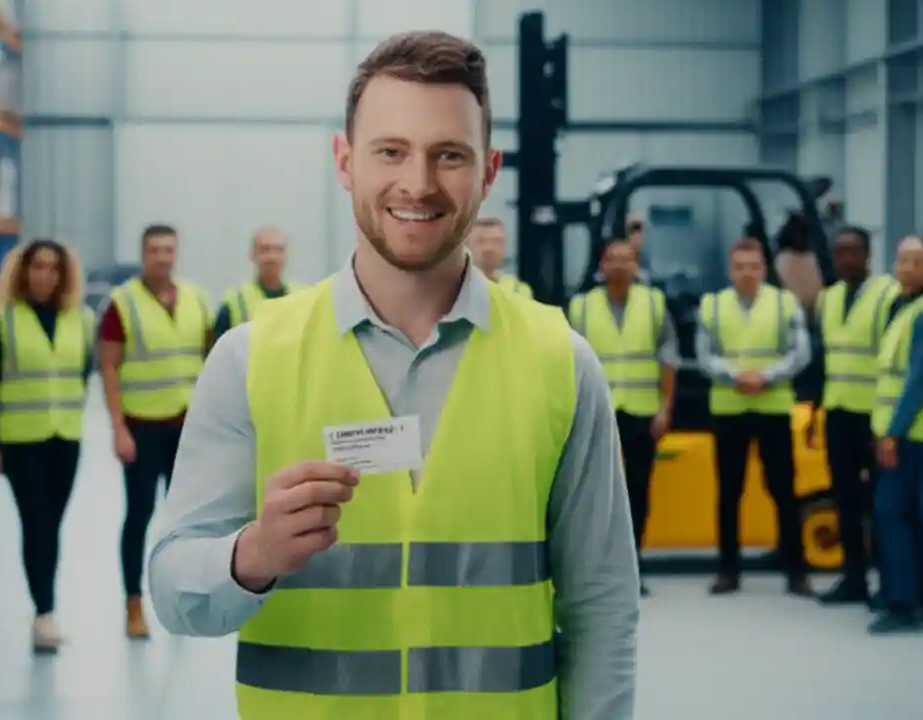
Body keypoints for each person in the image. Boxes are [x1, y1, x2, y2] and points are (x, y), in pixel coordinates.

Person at [148, 30, 639, 719]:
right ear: (344, 161)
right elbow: (172, 594)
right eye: (390, 151)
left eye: (450, 156)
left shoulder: (561, 362)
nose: (418, 183)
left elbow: (603, 610)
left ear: (489, 169)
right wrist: (252, 552)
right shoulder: (250, 359)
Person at [97, 223, 213, 639]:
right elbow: (108, 365)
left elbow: (209, 359)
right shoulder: (122, 303)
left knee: (184, 519)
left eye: (168, 250)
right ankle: (133, 604)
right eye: (154, 250)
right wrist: (117, 427)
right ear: (143, 254)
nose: (162, 257)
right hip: (142, 427)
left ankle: (180, 596)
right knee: (139, 515)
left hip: (186, 427)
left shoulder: (196, 299)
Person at [0, 239, 94, 653]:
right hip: (20, 440)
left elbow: (83, 374)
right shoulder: (4, 322)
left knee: (52, 525)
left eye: (53, 268)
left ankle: (44, 610)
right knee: (38, 524)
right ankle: (45, 612)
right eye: (37, 267)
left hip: (65, 437)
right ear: (23, 272)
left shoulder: (80, 320)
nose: (44, 275)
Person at [696, 237, 813, 597]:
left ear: (764, 269)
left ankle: (796, 572)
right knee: (729, 493)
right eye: (740, 267)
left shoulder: (785, 303)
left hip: (772, 407)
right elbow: (704, 354)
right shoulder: (712, 305)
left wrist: (767, 377)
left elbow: (801, 352)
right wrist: (735, 376)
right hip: (730, 409)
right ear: (731, 270)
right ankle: (728, 571)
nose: (747, 273)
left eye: (754, 266)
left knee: (782, 490)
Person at [567, 236, 678, 596]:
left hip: (641, 412)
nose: (619, 264)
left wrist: (665, 408)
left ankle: (633, 569)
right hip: (597, 412)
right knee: (594, 494)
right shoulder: (581, 307)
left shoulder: (654, 303)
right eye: (612, 258)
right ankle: (596, 571)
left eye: (626, 258)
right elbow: (566, 363)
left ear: (636, 265)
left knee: (638, 493)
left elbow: (669, 358)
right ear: (601, 266)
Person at [868, 235, 923, 635]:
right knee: (916, 514)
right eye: (902, 258)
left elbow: (917, 379)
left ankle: (902, 602)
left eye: (916, 260)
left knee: (891, 510)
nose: (906, 266)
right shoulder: (901, 306)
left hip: (912, 431)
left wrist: (892, 434)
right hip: (905, 429)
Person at [810, 227, 898, 606]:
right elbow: (826, 359)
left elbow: (894, 361)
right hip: (839, 412)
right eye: (839, 252)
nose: (846, 259)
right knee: (845, 501)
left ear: (868, 255)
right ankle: (854, 578)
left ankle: (889, 581)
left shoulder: (887, 297)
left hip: (874, 416)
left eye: (853, 251)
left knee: (881, 504)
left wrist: (888, 422)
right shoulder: (826, 299)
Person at [212, 226, 299, 342]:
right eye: (265, 249)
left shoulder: (302, 297)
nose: (272, 257)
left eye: (278, 250)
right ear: (252, 255)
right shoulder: (236, 301)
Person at [467, 216, 532, 297]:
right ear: (467, 245)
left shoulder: (518, 289)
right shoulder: (454, 289)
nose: (488, 248)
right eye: (480, 241)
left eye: (496, 241)